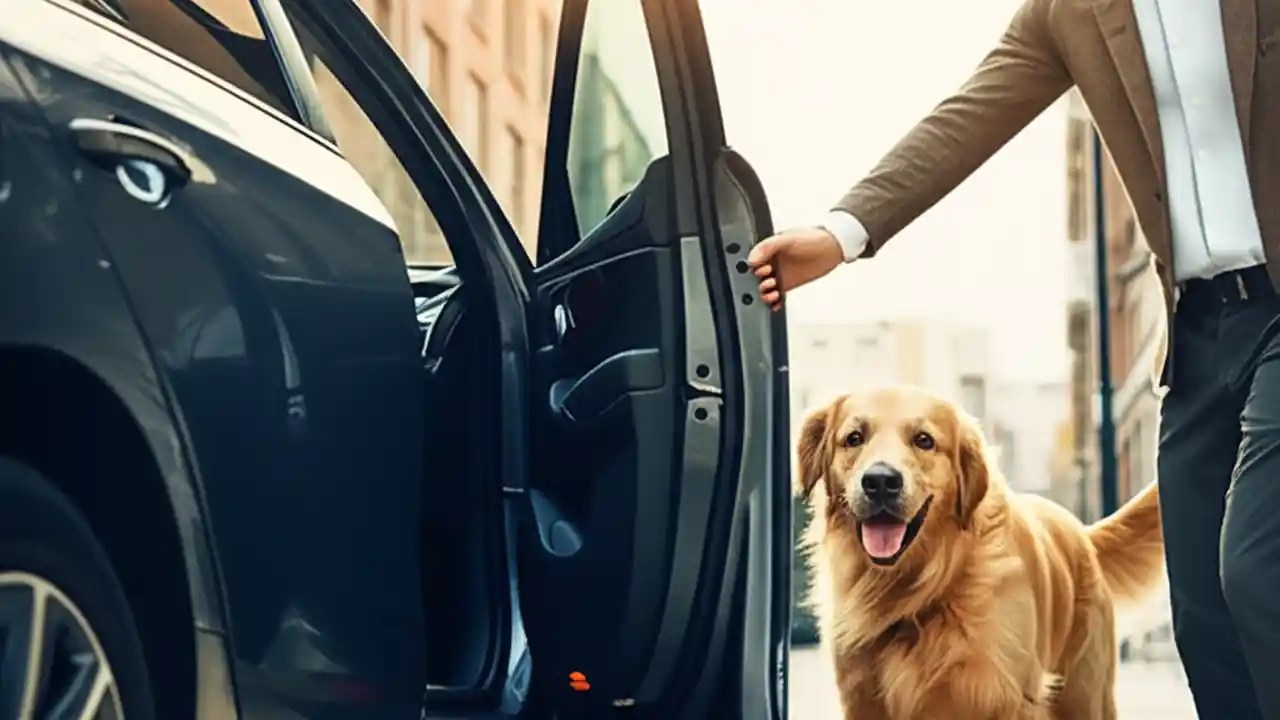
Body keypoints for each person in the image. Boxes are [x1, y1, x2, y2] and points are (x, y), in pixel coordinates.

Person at [748, 0, 1280, 716]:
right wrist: (839, 235)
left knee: (1255, 568)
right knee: (1203, 612)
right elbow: (968, 116)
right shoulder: (1069, 13)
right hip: (1198, 331)